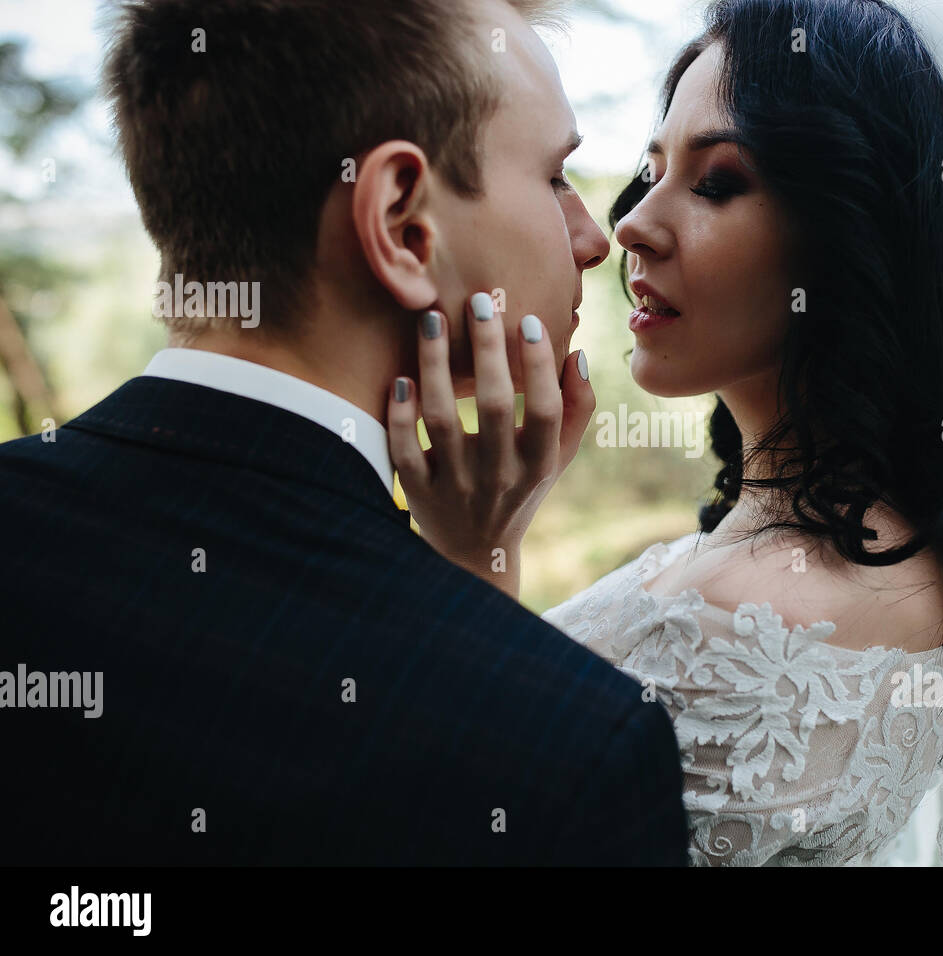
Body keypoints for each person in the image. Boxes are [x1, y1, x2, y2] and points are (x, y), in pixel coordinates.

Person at [393, 0, 943, 866]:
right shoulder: (847, 552)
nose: (630, 225)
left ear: (849, 229)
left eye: (717, 182)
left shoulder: (775, 616)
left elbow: (458, 833)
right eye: (652, 171)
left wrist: (475, 564)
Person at [0, 0, 688, 865]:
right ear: (402, 223)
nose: (594, 237)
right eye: (556, 177)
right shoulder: (571, 747)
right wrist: (473, 603)